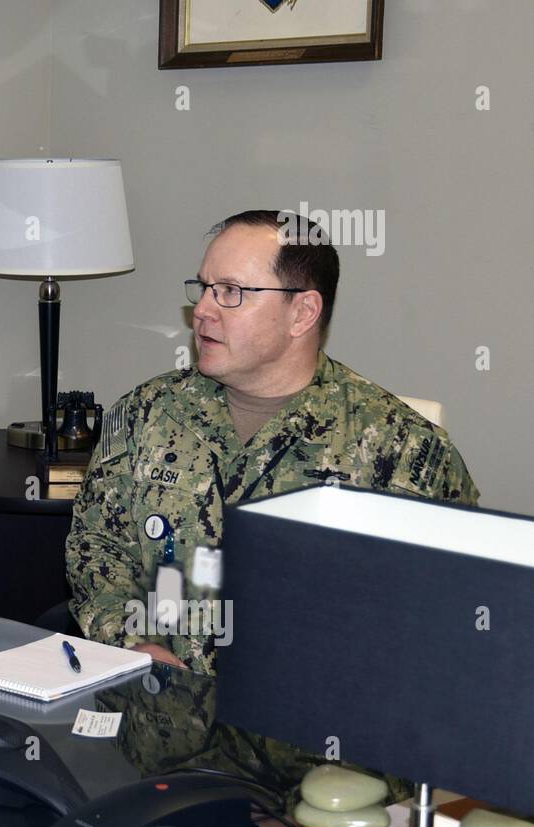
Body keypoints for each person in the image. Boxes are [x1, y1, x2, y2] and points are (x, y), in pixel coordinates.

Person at [66, 210, 479, 674]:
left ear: (302, 313)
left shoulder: (402, 450)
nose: (202, 309)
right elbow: (97, 546)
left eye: (230, 292)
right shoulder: (148, 411)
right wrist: (129, 642)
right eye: (203, 288)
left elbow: (450, 614)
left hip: (310, 737)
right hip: (159, 721)